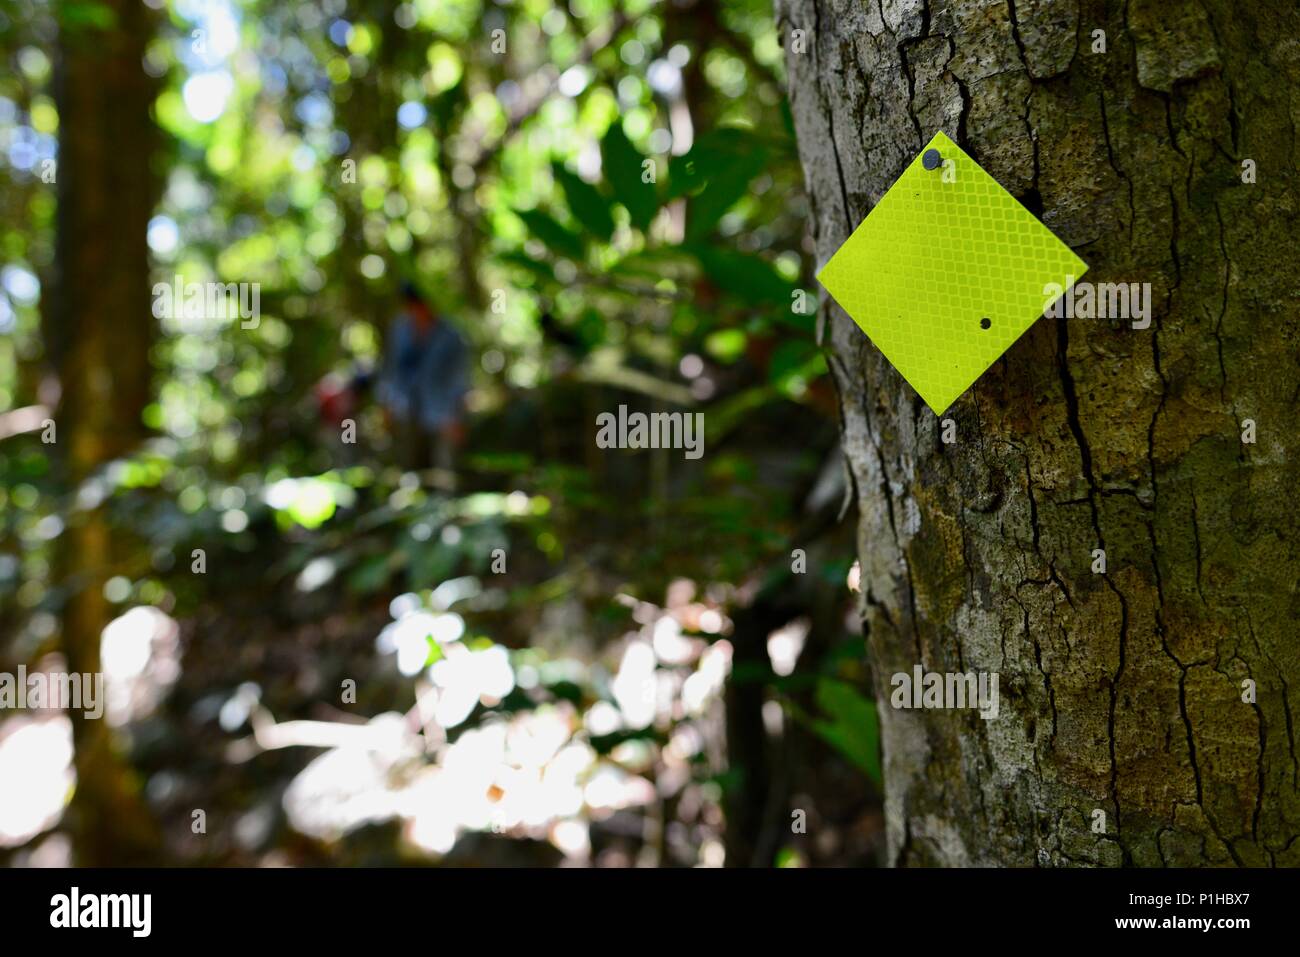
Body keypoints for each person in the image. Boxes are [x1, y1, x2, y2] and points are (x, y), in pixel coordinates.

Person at [377, 281, 469, 473]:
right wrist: (385, 403)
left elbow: (460, 377)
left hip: (442, 411)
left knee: (444, 466)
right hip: (406, 407)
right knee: (408, 466)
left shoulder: (451, 335)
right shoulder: (400, 330)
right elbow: (391, 368)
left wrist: (455, 415)